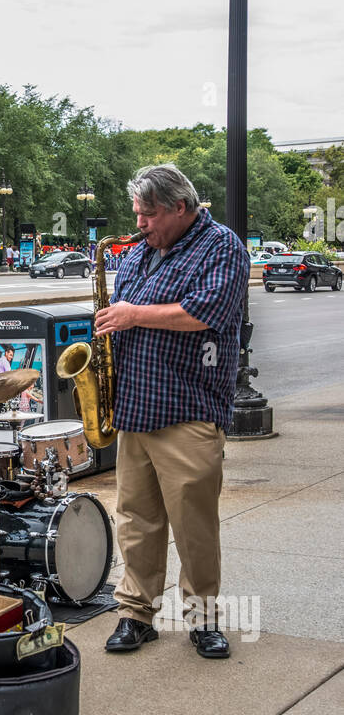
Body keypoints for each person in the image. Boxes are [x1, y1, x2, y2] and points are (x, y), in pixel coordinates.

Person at [95, 163, 250, 660]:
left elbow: (208, 312)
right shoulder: (143, 252)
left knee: (194, 524)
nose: (140, 224)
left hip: (188, 408)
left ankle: (202, 618)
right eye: (137, 214)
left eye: (148, 214)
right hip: (137, 406)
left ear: (179, 207)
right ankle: (136, 613)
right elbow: (123, 310)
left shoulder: (221, 246)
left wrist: (131, 315)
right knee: (136, 519)